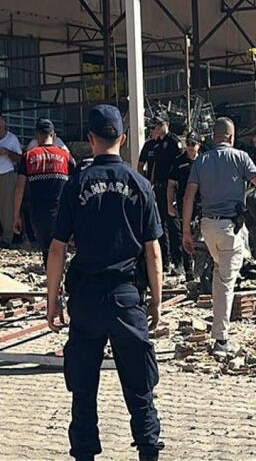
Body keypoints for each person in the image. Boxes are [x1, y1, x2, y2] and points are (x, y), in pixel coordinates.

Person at [45, 104, 165, 460]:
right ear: (123, 140)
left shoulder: (75, 185)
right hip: (126, 298)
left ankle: (84, 454)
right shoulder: (140, 185)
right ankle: (148, 451)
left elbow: (57, 249)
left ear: (90, 139)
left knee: (83, 390)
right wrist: (156, 302)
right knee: (140, 389)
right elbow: (153, 252)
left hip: (86, 300)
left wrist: (52, 302)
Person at [181, 117, 256, 357]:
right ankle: (221, 339)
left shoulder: (201, 160)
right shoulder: (241, 157)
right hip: (229, 228)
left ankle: (219, 331)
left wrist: (185, 231)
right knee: (226, 282)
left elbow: (188, 196)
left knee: (220, 273)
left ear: (213, 137)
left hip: (207, 226)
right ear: (231, 137)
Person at [12, 118, 75, 266]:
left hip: (38, 213)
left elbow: (19, 187)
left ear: (37, 136)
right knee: (60, 248)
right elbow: (75, 183)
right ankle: (59, 275)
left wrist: (16, 215)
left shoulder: (28, 157)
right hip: (61, 211)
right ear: (53, 135)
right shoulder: (65, 156)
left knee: (46, 250)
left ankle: (51, 275)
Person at [149, 115, 184, 277]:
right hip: (159, 187)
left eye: (159, 124)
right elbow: (154, 166)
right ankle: (165, 260)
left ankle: (179, 261)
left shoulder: (174, 142)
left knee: (173, 224)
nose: (156, 127)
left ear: (166, 124)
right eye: (155, 125)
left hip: (171, 188)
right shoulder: (157, 144)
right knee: (160, 224)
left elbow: (179, 165)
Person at [167, 130, 202, 280]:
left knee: (201, 235)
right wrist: (170, 204)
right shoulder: (179, 161)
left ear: (199, 145)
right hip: (184, 204)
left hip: (202, 204)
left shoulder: (204, 161)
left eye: (193, 144)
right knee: (185, 234)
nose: (190, 147)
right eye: (188, 144)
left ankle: (201, 268)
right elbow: (171, 184)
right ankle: (188, 271)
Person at [0, 114, 22, 247]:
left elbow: (20, 158)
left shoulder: (11, 139)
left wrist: (7, 153)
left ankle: (8, 237)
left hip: (7, 173)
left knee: (7, 206)